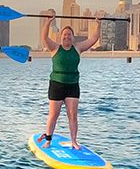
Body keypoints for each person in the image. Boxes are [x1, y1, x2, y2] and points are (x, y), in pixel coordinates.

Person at [39, 10, 101, 150]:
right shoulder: (55, 48)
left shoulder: (78, 48)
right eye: (65, 34)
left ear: (73, 37)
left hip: (72, 86)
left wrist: (98, 23)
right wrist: (48, 21)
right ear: (61, 37)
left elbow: (94, 38)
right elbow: (44, 37)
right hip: (56, 85)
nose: (67, 36)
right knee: (53, 115)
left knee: (72, 115)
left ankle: (74, 141)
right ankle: (48, 140)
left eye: (69, 34)